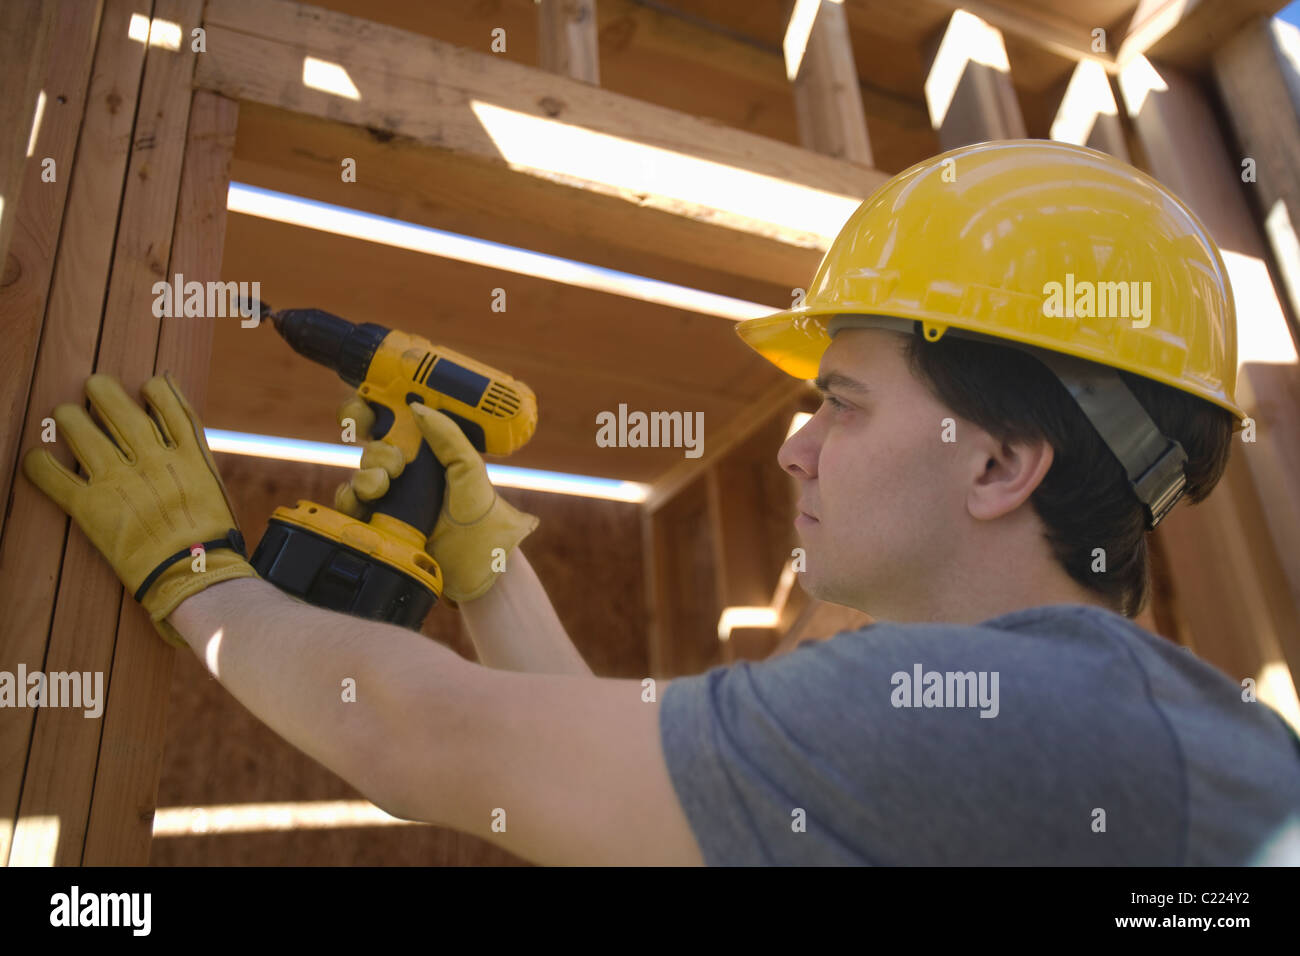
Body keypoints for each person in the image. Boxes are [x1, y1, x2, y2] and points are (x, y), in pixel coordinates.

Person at [23, 140, 1300, 866]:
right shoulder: (1086, 723)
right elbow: (616, 796)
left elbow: (433, 748)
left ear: (996, 462)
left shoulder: (1024, 720)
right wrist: (486, 566)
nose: (792, 451)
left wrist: (197, 567)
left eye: (839, 402)